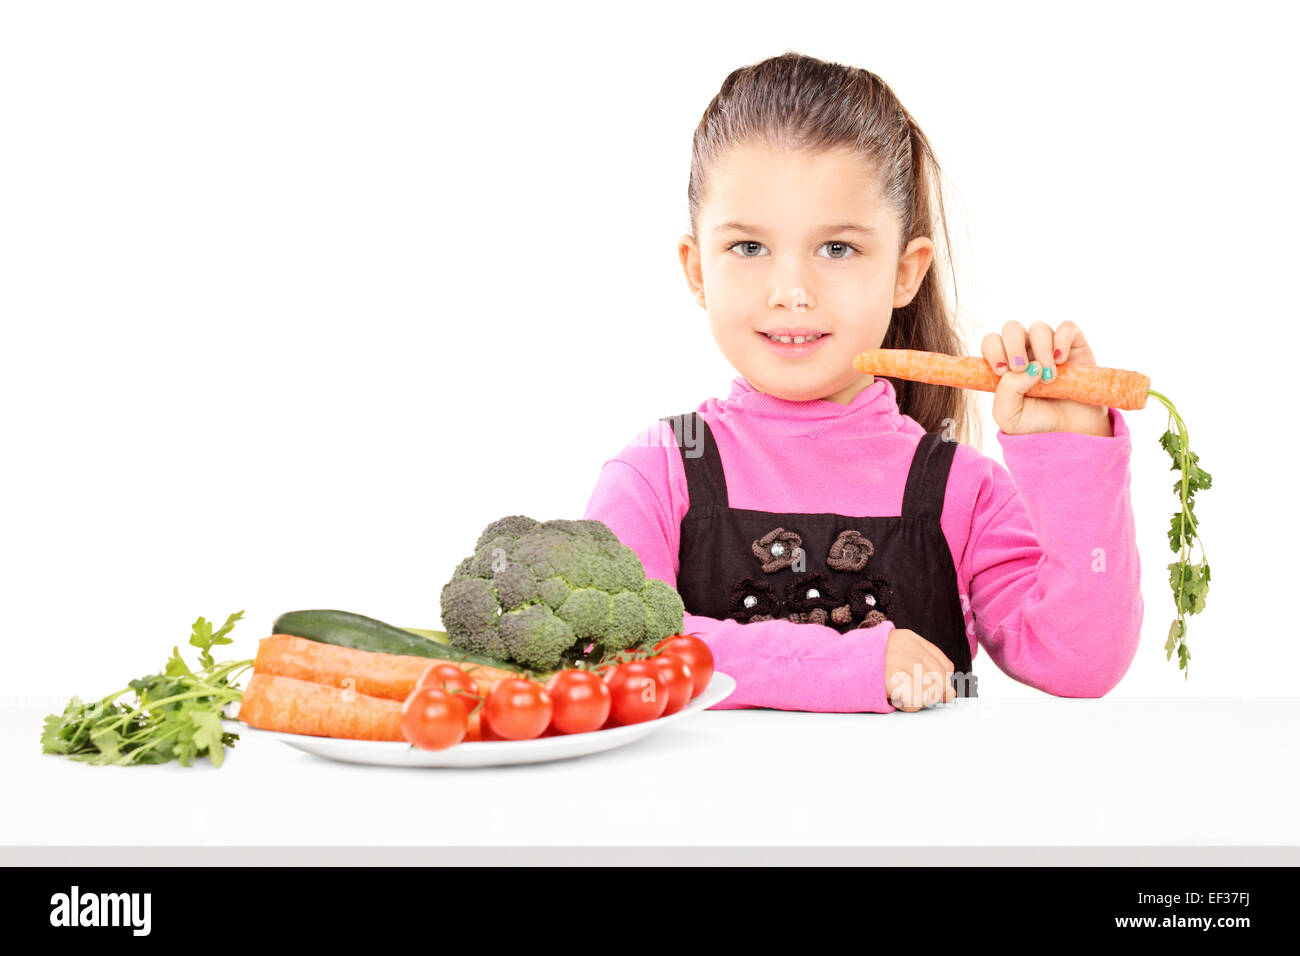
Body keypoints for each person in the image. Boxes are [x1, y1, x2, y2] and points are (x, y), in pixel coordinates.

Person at [582, 51, 1141, 714]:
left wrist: (1073, 456)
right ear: (696, 268)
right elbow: (615, 652)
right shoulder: (658, 472)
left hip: (926, 817)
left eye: (838, 248)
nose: (792, 292)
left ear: (906, 272)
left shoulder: (966, 490)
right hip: (704, 818)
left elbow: (1081, 664)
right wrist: (849, 664)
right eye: (749, 247)